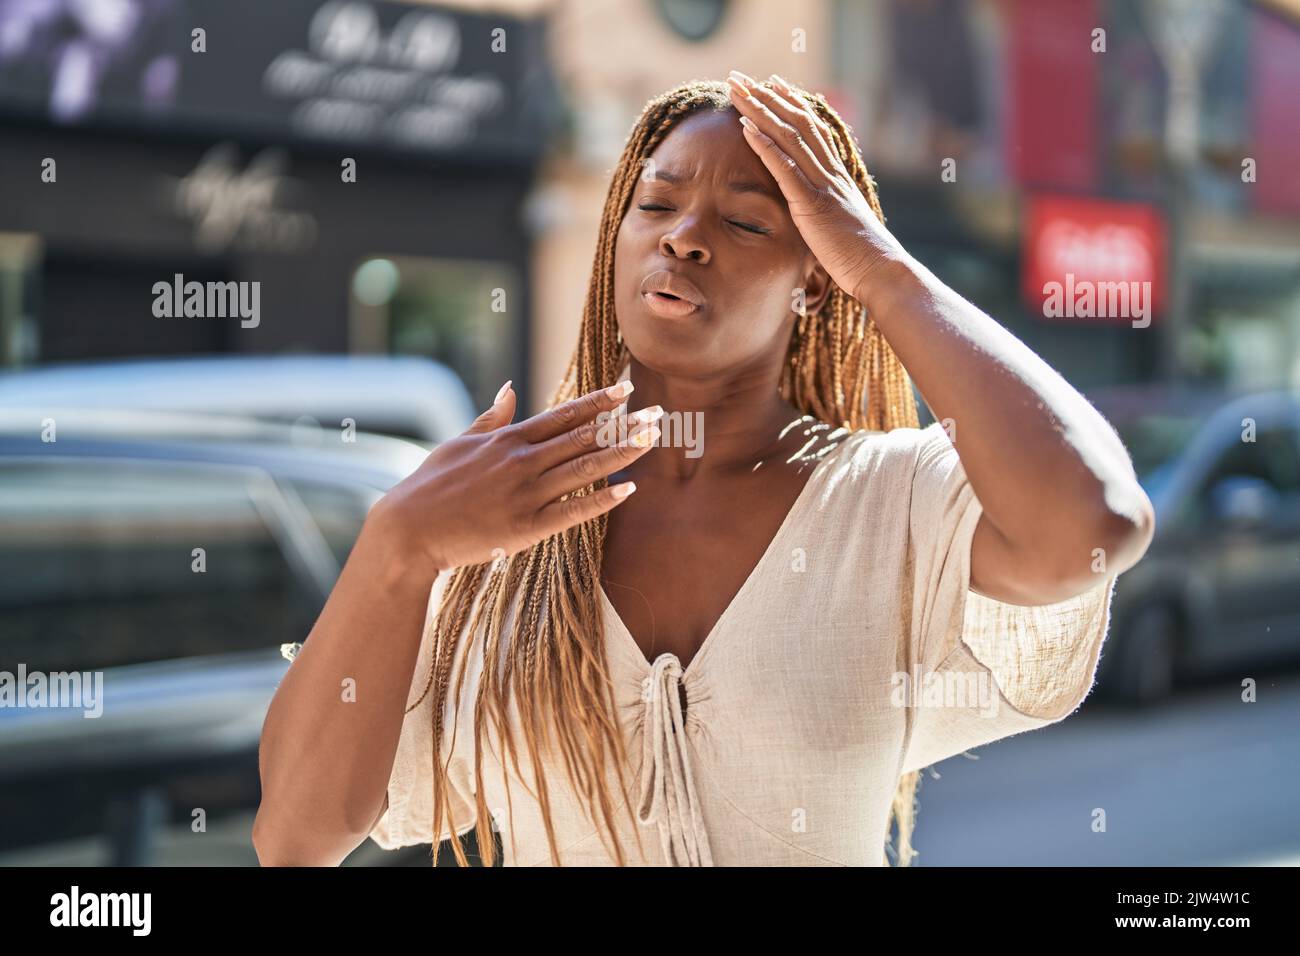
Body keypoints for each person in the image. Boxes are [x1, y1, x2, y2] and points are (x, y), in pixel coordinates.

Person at [253, 72, 1155, 867]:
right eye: (656, 205)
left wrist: (886, 274)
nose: (684, 237)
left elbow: (1092, 527)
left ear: (816, 277)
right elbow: (295, 839)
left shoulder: (892, 498)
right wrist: (397, 546)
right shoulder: (503, 514)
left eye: (747, 220)